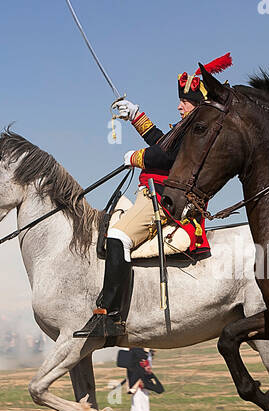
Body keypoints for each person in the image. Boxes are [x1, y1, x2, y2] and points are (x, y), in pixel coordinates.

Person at [73, 56, 227, 340]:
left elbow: (166, 156)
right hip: (152, 192)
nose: (180, 106)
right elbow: (163, 142)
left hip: (166, 199)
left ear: (198, 106)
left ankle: (109, 315)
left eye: (185, 102)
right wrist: (135, 117)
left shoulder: (196, 131)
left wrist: (136, 157)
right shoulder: (187, 129)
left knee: (119, 236)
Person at [118, 347, 164, 411]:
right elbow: (142, 362)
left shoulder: (135, 352)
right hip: (138, 378)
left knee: (138, 399)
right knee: (140, 399)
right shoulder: (138, 352)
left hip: (138, 377)